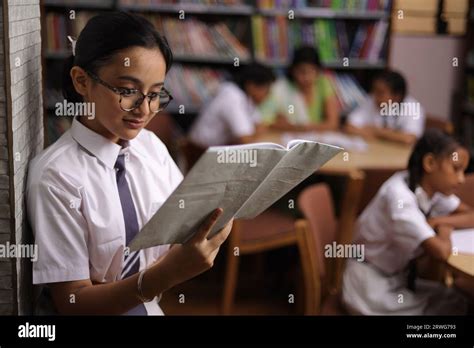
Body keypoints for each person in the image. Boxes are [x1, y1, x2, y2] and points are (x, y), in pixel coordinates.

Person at [27, 11, 233, 315]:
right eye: (127, 91)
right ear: (81, 81)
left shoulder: (150, 147)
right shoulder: (57, 176)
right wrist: (165, 275)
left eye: (154, 94)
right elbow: (72, 302)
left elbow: (183, 221)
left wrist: (216, 221)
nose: (144, 109)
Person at [342, 129, 473, 315]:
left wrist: (441, 219)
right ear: (430, 163)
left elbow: (471, 215)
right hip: (369, 285)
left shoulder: (430, 188)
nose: (461, 179)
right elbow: (441, 252)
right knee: (451, 308)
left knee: (458, 300)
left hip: (396, 278)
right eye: (455, 169)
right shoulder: (400, 198)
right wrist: (446, 227)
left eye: (464, 171)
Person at [188, 63, 275, 147]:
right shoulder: (232, 96)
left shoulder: (248, 98)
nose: (268, 94)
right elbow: (246, 140)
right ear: (251, 86)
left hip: (217, 148)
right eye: (266, 90)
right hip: (199, 152)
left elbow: (260, 126)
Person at [260, 45, 340, 132]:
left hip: (318, 138)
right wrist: (282, 123)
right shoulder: (282, 88)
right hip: (288, 139)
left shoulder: (324, 83)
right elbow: (265, 121)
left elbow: (333, 123)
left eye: (311, 71)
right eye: (301, 72)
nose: (306, 77)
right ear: (293, 71)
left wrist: (302, 127)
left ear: (318, 71)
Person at [344, 70, 425, 145]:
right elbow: (349, 127)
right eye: (374, 90)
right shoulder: (371, 100)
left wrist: (376, 131)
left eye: (380, 93)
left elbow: (409, 139)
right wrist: (393, 136)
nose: (375, 96)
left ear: (397, 96)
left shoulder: (413, 108)